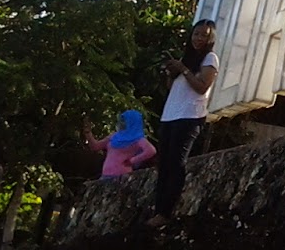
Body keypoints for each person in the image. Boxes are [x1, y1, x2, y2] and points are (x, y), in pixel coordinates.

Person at [146, 18, 218, 228]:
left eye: (204, 35)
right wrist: (171, 72)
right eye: (196, 34)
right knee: (164, 164)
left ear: (210, 38)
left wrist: (184, 70)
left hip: (190, 116)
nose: (198, 38)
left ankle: (166, 213)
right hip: (170, 115)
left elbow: (201, 87)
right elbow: (174, 89)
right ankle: (158, 210)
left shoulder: (210, 59)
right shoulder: (187, 58)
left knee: (176, 163)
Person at [84, 109, 156, 179]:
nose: (121, 122)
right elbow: (96, 146)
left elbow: (151, 151)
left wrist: (132, 160)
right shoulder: (114, 136)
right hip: (105, 175)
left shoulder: (137, 138)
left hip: (122, 176)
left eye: (124, 120)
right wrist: (88, 133)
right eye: (121, 120)